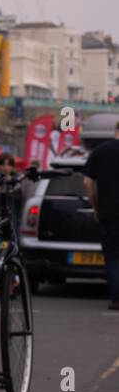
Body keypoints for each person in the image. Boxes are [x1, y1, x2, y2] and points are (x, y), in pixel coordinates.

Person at [82, 119, 119, 310]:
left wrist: (95, 206)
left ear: (116, 131)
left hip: (109, 212)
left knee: (112, 256)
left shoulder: (101, 151)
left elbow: (87, 182)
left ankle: (116, 298)